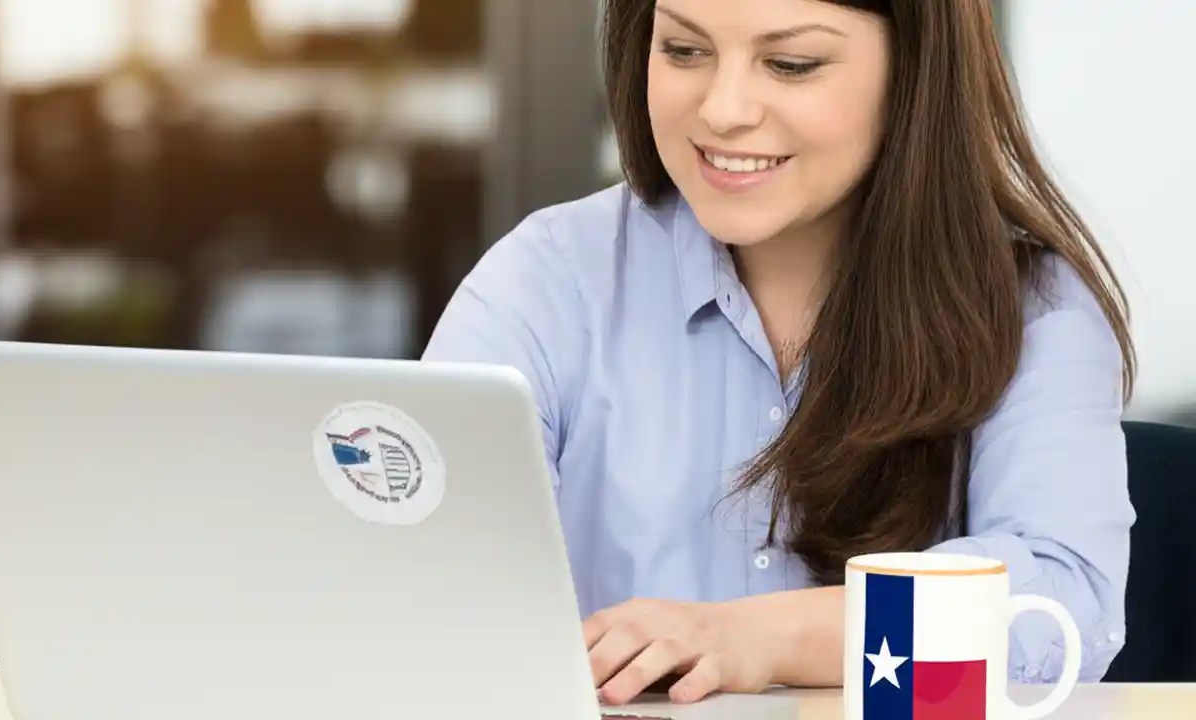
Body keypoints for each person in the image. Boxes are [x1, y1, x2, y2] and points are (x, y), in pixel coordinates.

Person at [422, 0, 1136, 706]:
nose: (723, 110)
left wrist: (760, 638)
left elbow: (1062, 600)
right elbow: (414, 571)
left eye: (791, 64)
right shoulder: (548, 278)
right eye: (685, 51)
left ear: (916, 70)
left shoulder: (1034, 309)